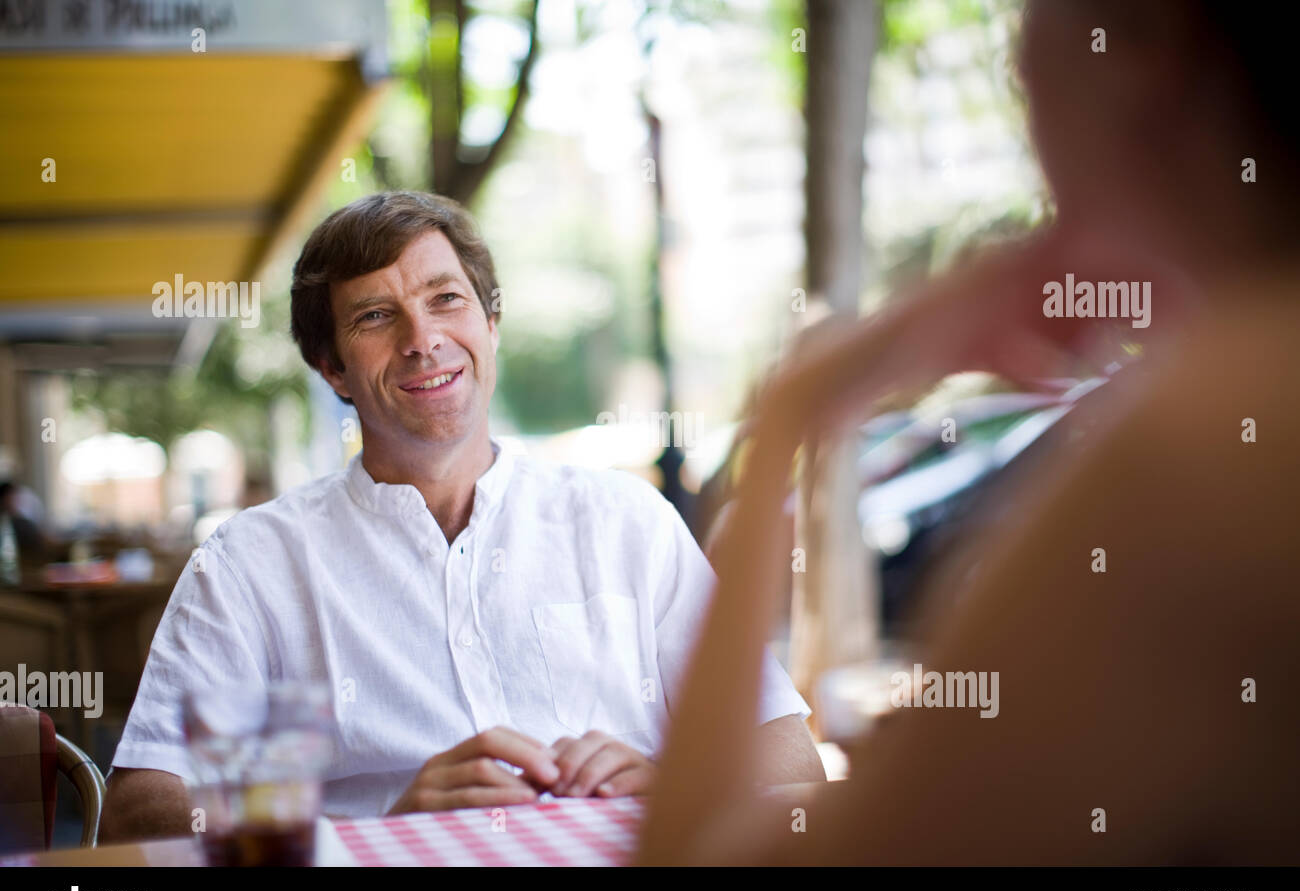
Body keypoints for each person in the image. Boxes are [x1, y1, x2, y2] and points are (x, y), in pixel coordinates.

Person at [638, 0, 1300, 864]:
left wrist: (794, 411)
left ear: (1144, 50)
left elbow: (697, 856)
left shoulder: (1196, 450)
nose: (1014, 63)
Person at [101, 192, 823, 841]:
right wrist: (379, 831)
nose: (422, 338)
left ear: (492, 321)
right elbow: (144, 811)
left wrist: (677, 786)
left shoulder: (625, 525)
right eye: (377, 316)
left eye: (445, 299)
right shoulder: (258, 568)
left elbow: (788, 758)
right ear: (332, 369)